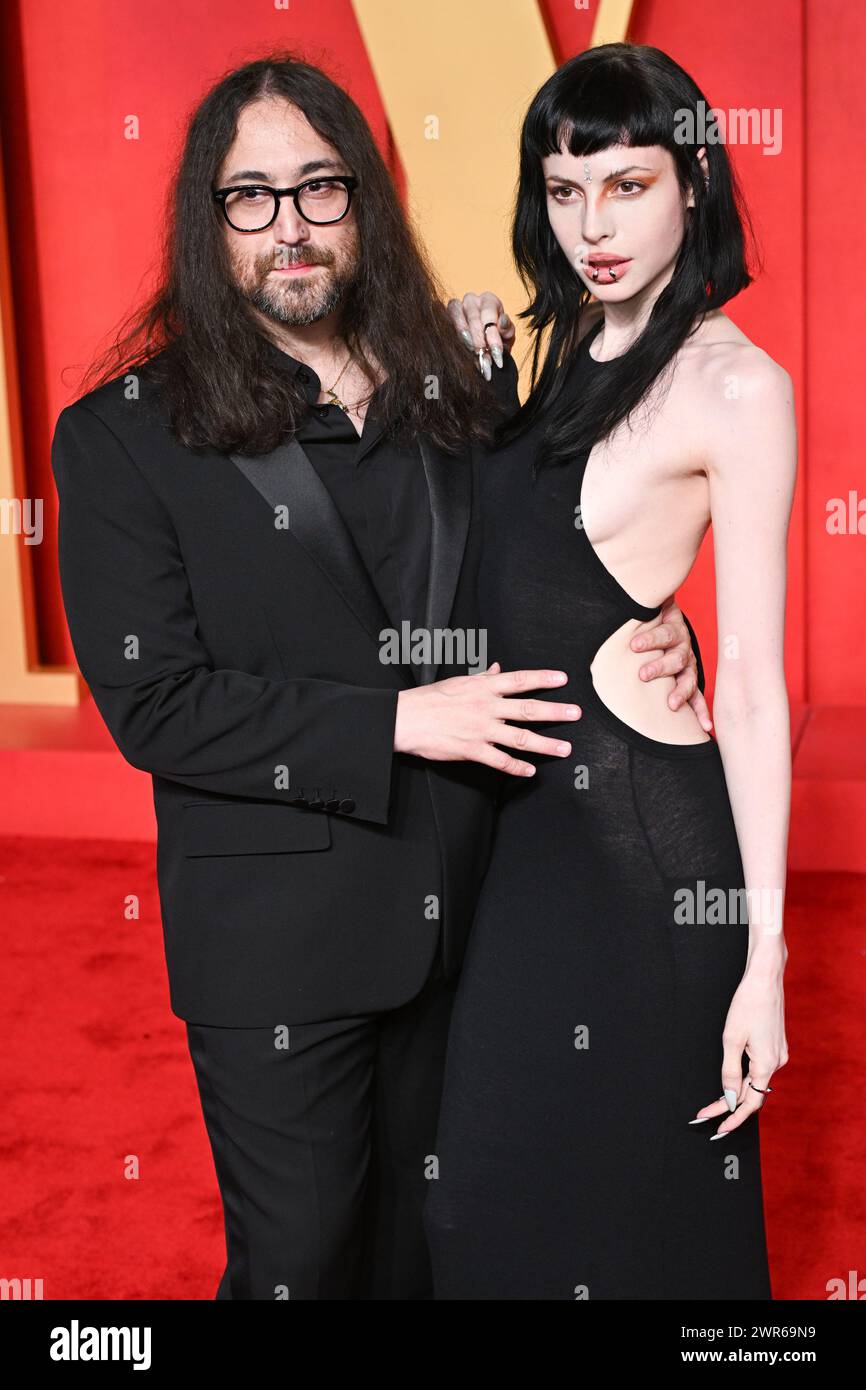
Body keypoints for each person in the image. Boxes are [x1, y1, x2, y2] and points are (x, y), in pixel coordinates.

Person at [51, 54, 704, 1300]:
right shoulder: (123, 433)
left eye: (318, 187)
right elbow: (156, 704)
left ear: (364, 201)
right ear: (211, 217)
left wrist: (644, 628)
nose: (289, 224)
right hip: (275, 949)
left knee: (432, 1257)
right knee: (300, 1262)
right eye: (251, 196)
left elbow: (536, 576)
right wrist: (401, 720)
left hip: (471, 915)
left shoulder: (448, 391)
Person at [423, 43, 793, 1299]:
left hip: (640, 856)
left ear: (692, 179)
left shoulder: (738, 388)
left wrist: (765, 966)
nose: (592, 224)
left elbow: (746, 687)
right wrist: (475, 358)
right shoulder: (559, 342)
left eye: (625, 186)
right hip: (523, 838)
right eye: (565, 189)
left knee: (642, 1218)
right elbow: (509, 553)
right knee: (485, 1200)